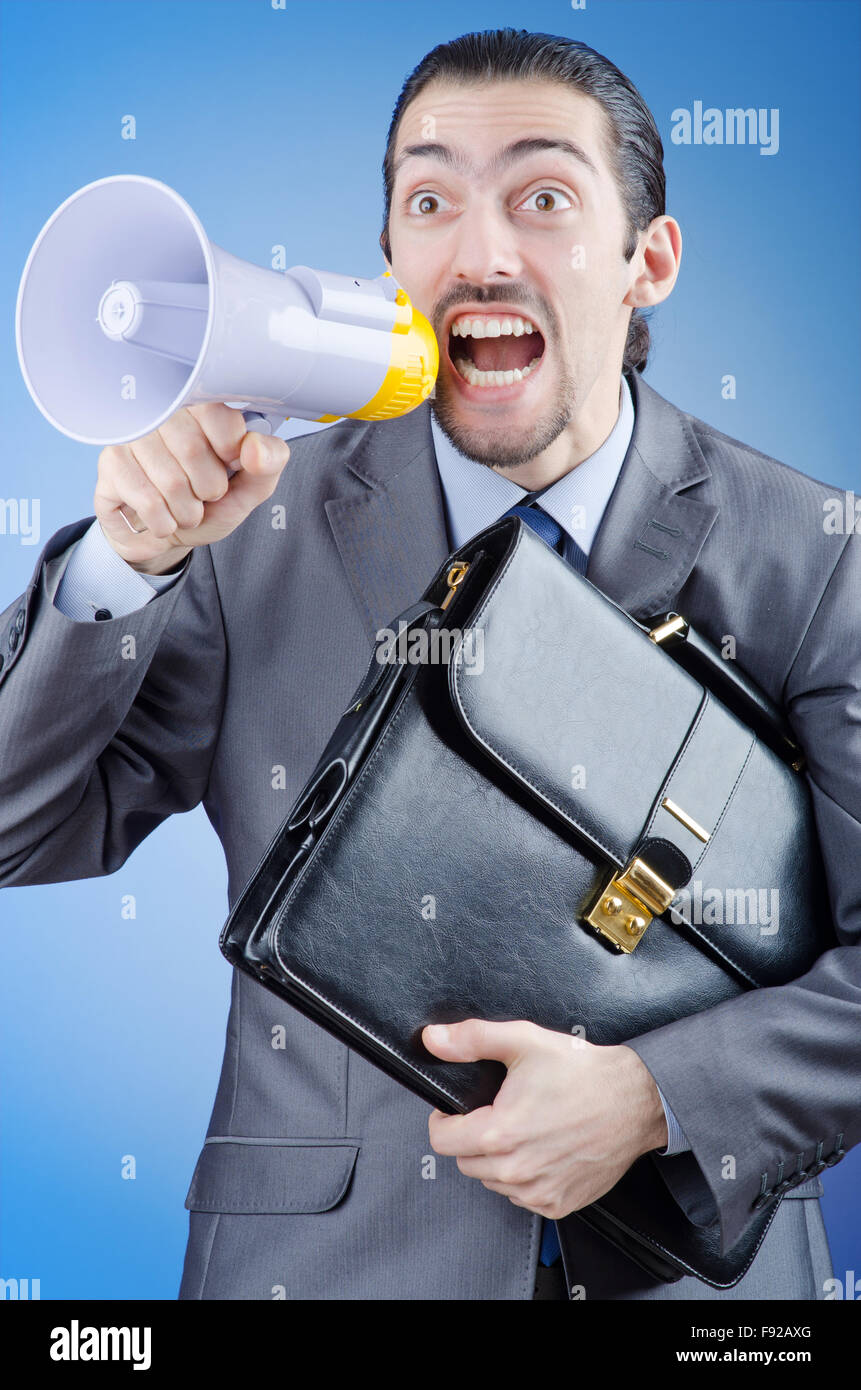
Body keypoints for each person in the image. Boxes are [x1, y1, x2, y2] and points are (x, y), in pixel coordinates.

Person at [0, 28, 855, 1301]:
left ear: (648, 263)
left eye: (545, 197)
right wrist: (122, 570)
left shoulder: (814, 551)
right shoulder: (249, 536)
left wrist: (652, 1098)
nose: (484, 250)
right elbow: (19, 830)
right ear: (393, 260)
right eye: (432, 199)